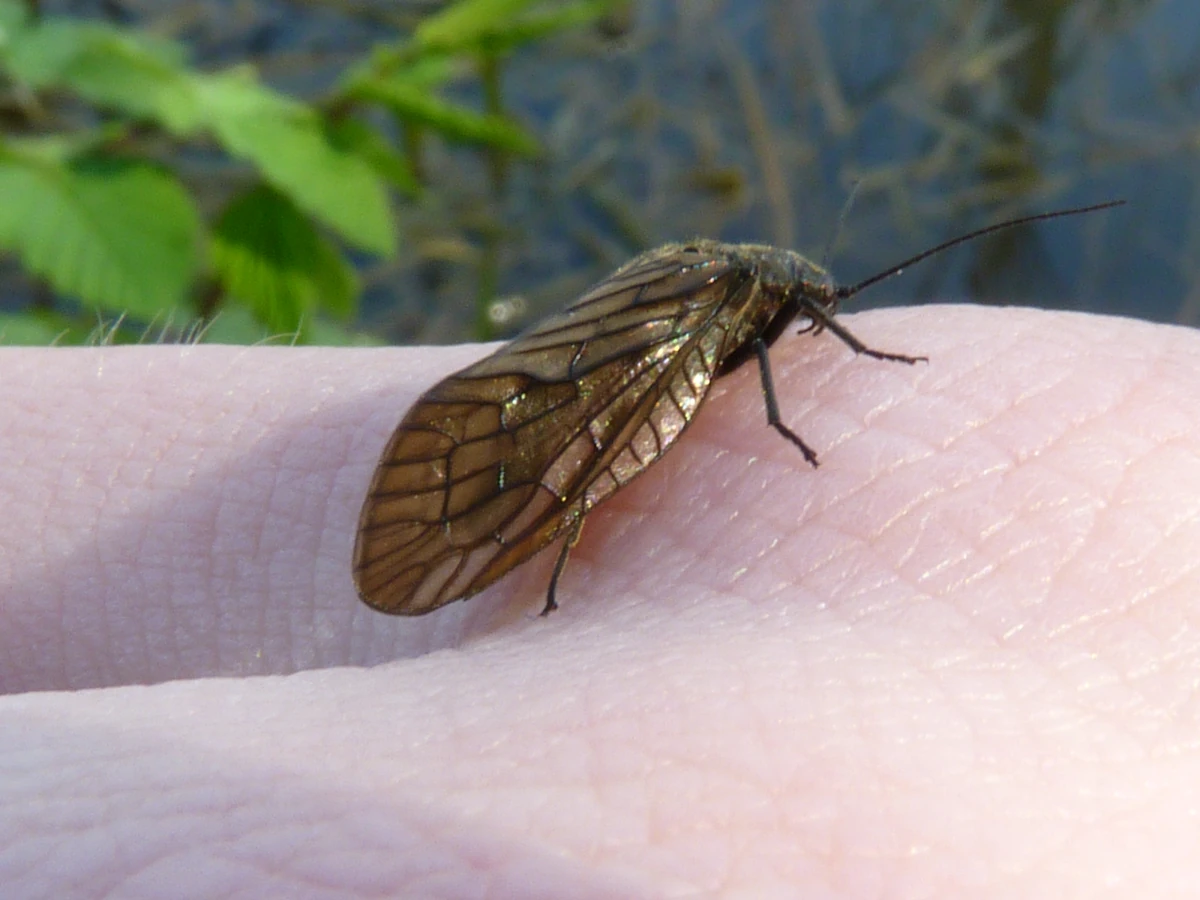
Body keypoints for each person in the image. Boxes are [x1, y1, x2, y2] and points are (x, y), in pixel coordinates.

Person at [2, 305, 1198, 896]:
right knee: (589, 456)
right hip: (584, 389)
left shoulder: (737, 300)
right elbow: (637, 410)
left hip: (545, 381)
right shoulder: (722, 321)